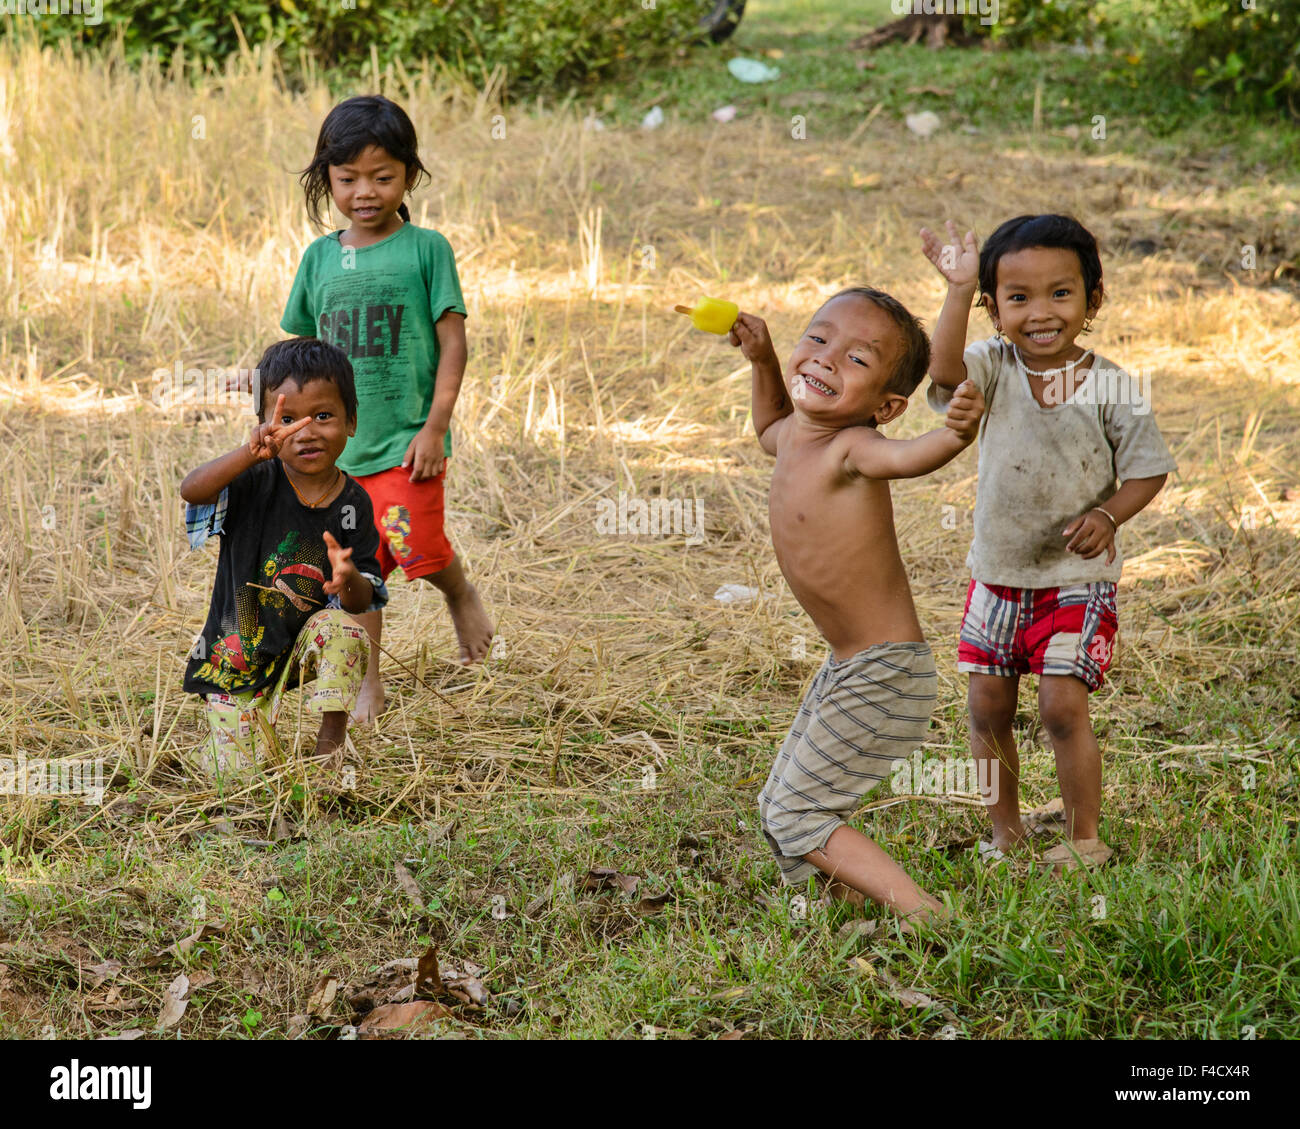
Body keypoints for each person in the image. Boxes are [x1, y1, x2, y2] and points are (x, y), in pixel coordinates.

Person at [919, 214, 1177, 869]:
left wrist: (1111, 515)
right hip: (999, 572)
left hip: (1076, 575)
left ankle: (1083, 837)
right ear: (992, 306)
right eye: (1018, 296)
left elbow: (1148, 467)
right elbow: (944, 370)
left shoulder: (1111, 383)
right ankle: (1004, 834)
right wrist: (954, 289)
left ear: (1095, 299)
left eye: (1061, 293)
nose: (1040, 311)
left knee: (1062, 704)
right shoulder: (992, 366)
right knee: (986, 705)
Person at [732, 287, 984, 924]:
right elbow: (765, 427)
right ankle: (840, 903)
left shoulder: (853, 448)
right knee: (778, 804)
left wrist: (954, 435)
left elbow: (910, 456)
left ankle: (925, 913)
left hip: (886, 674)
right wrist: (762, 358)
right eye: (817, 339)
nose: (825, 359)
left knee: (797, 809)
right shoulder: (794, 432)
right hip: (849, 667)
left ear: (887, 406)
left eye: (857, 359)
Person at [282, 94, 493, 725]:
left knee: (418, 543)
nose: (365, 192)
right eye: (348, 179)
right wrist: (285, 421)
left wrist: (436, 426)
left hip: (407, 440)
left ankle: (458, 592)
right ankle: (369, 681)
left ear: (409, 175)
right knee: (356, 567)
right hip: (340, 449)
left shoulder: (427, 249)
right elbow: (302, 353)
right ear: (327, 180)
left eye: (383, 176)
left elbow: (453, 343)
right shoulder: (320, 258)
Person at [182, 338, 386, 776]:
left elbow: (361, 601)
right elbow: (192, 490)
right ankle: (238, 734)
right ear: (264, 425)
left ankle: (330, 748)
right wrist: (245, 454)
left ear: (351, 421)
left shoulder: (354, 503)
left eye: (323, 416)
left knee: (345, 632)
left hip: (303, 648)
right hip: (238, 656)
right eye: (288, 419)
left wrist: (347, 577)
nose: (306, 432)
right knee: (237, 777)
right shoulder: (255, 479)